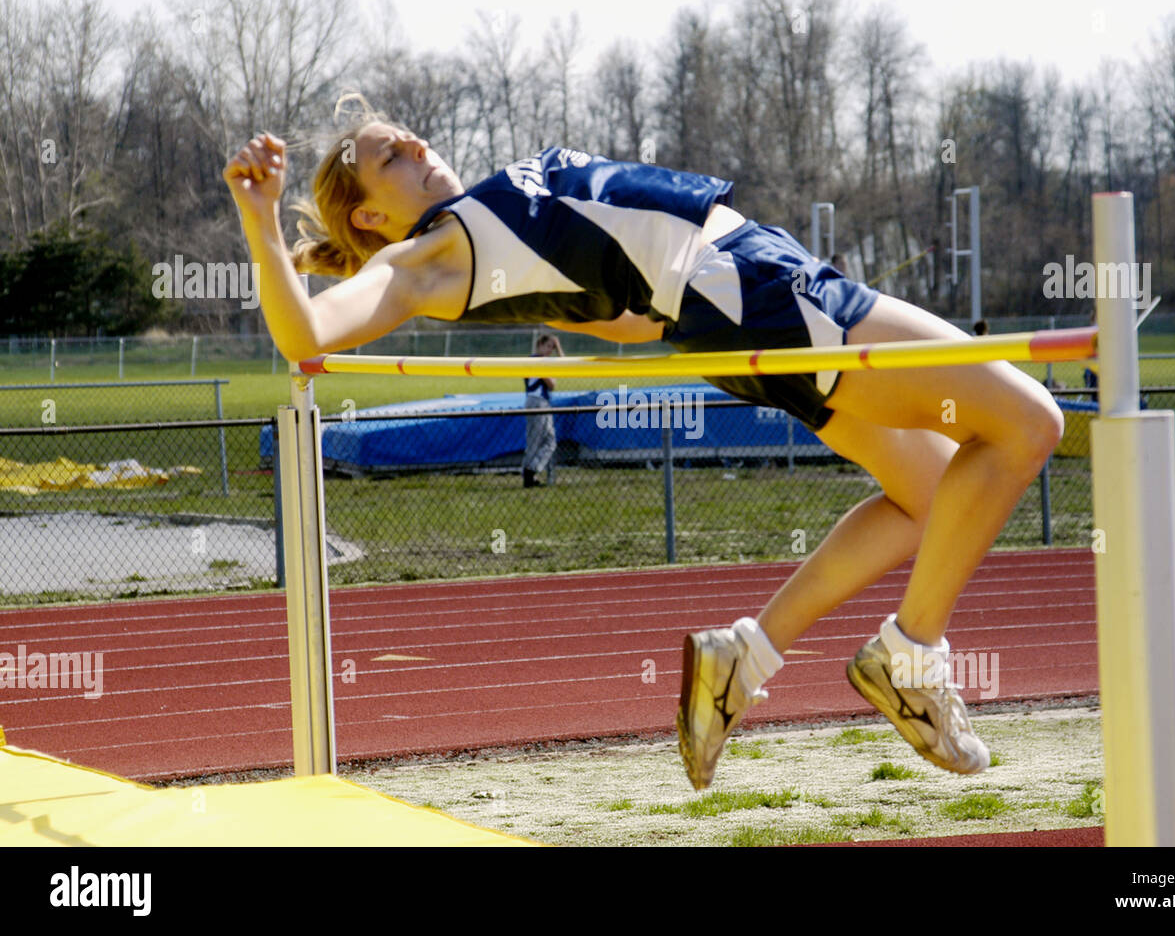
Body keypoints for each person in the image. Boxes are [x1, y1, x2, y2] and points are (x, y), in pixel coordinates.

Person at [223, 111, 1063, 791]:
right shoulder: (428, 256)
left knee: (925, 492)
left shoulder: (493, 230)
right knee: (1029, 423)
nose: (414, 144)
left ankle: (746, 657)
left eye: (404, 134)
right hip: (749, 285)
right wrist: (259, 219)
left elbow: (625, 321)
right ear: (372, 215)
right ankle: (913, 654)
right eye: (389, 157)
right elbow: (306, 334)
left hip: (729, 305)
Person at [523, 333, 561, 487]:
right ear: (539, 345)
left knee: (550, 440)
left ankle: (531, 470)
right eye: (548, 346)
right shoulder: (535, 361)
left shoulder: (543, 362)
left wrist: (559, 348)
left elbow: (564, 368)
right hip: (537, 403)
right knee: (535, 440)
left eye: (552, 348)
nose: (550, 351)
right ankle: (529, 475)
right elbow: (552, 384)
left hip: (543, 402)